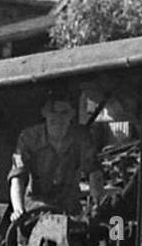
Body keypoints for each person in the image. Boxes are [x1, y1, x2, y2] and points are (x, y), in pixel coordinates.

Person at [9, 89, 104, 218]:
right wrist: (18, 210)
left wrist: (97, 204)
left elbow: (94, 171)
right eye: (53, 112)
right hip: (36, 210)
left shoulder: (82, 138)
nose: (58, 118)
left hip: (70, 211)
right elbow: (17, 177)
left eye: (64, 113)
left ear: (72, 114)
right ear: (44, 113)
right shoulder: (28, 138)